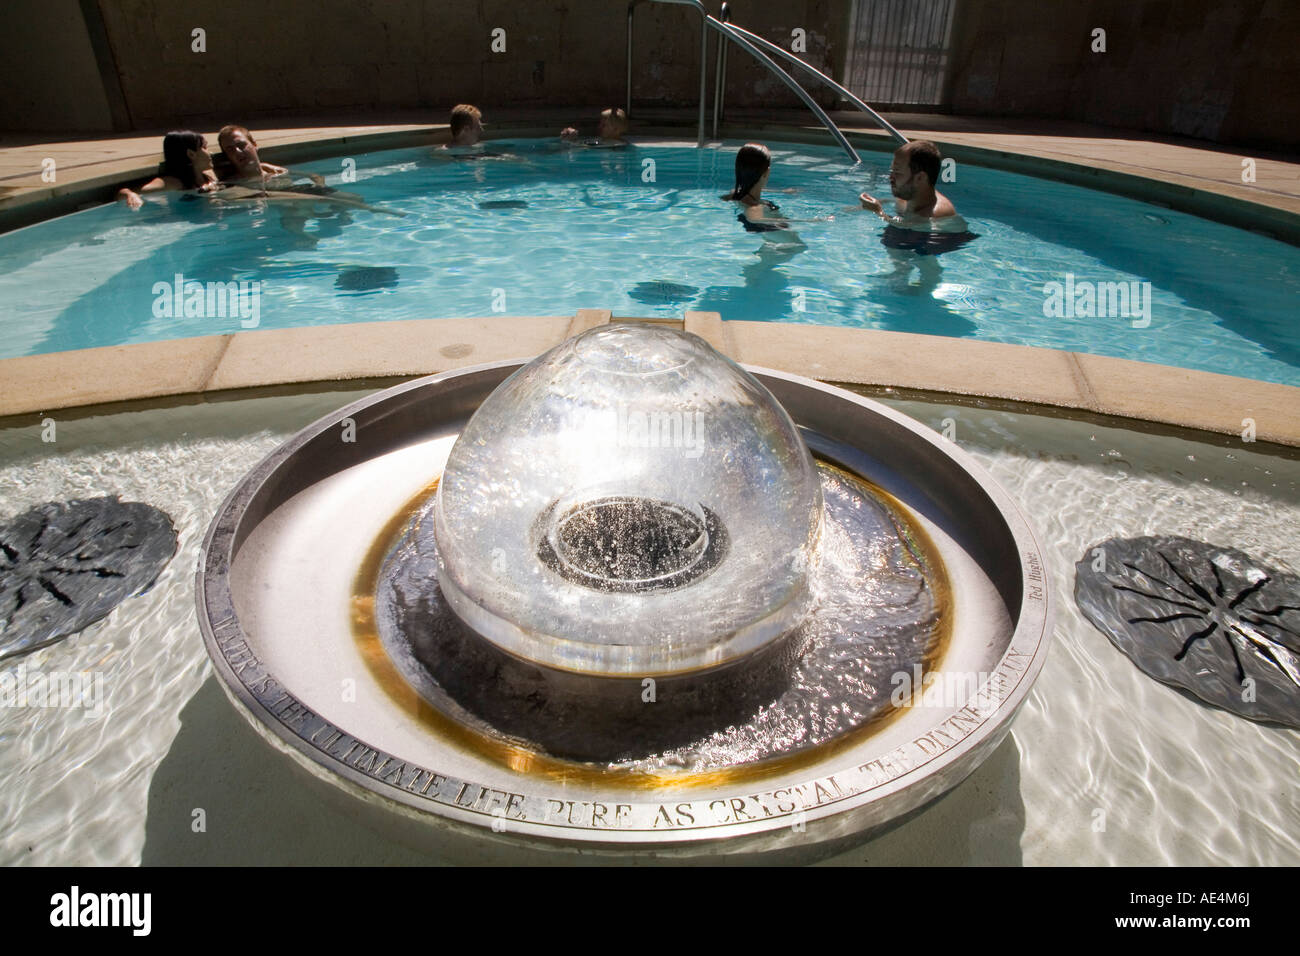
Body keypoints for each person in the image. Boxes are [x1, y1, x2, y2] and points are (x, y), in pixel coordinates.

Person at [859, 140, 956, 223]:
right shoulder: (907, 196)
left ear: (920, 178)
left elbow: (912, 227)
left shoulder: (938, 214)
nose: (891, 177)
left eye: (897, 172)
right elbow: (891, 201)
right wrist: (866, 206)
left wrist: (878, 211)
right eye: (892, 171)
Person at [116, 131, 220, 209]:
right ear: (191, 154)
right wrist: (130, 194)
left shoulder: (208, 176)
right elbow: (122, 194)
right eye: (205, 147)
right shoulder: (172, 183)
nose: (210, 153)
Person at [560, 107, 629, 147]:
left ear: (615, 129)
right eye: (600, 124)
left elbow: (584, 148)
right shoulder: (609, 141)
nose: (599, 127)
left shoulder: (613, 144)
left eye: (604, 125)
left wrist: (569, 141)